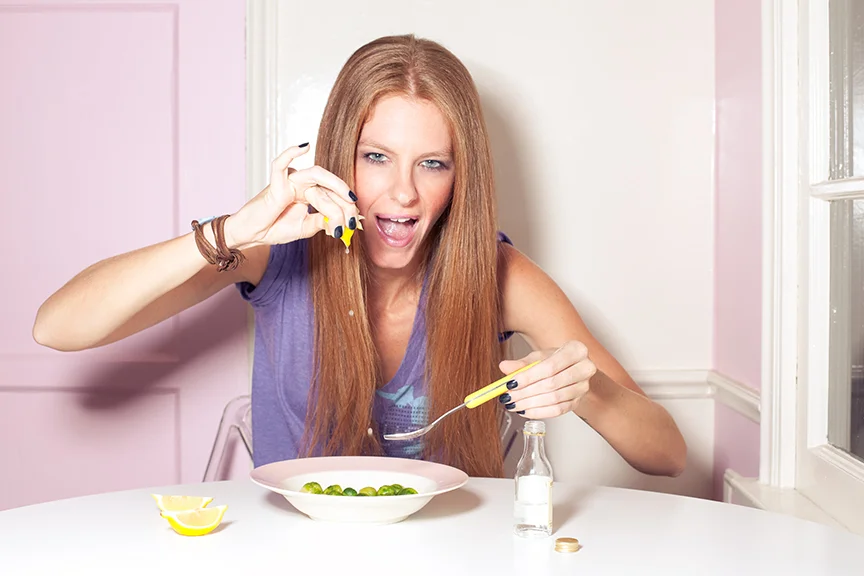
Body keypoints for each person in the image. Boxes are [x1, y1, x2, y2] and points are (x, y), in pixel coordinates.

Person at [32, 34, 686, 479]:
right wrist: (234, 229)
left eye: (432, 164)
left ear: (461, 179)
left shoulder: (500, 275)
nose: (402, 190)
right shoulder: (275, 252)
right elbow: (59, 327)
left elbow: (666, 453)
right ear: (342, 155)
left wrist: (583, 389)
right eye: (377, 157)